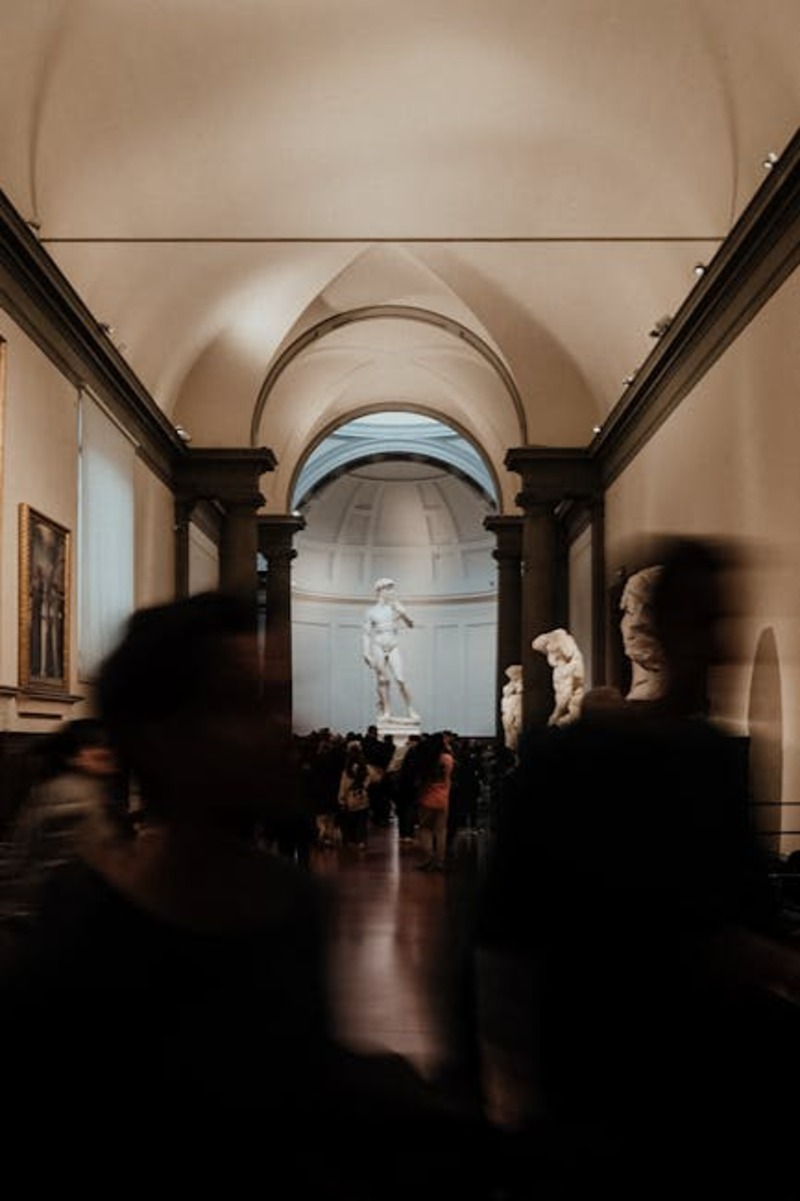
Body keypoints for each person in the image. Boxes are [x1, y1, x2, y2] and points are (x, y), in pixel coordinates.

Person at [0, 591, 495, 1193]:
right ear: (161, 736)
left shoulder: (287, 897)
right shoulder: (80, 924)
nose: (274, 729)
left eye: (270, 700)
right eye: (241, 704)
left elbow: (296, 1086)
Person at [471, 538, 790, 1198]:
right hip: (595, 1065)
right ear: (658, 627)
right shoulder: (572, 758)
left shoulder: (706, 758)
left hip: (687, 1074)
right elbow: (505, 932)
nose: (719, 643)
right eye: (704, 620)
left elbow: (742, 915)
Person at [363, 577, 419, 722]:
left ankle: (410, 709)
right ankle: (387, 711)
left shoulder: (395, 606)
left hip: (392, 644)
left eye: (392, 588)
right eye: (389, 588)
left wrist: (403, 613)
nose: (392, 591)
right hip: (378, 645)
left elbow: (410, 624)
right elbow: (366, 633)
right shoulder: (371, 611)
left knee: (400, 679)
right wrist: (366, 652)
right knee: (383, 680)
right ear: (380, 590)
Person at [414, 731, 455, 873]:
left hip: (426, 798)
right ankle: (440, 861)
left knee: (425, 829)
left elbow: (420, 780)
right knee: (441, 831)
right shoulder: (448, 759)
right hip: (443, 798)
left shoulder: (426, 759)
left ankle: (428, 858)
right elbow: (449, 779)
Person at [531, 627, 585, 727]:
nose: (547, 655)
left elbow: (564, 697)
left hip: (571, 710)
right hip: (574, 707)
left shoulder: (564, 669)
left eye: (548, 651)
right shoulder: (574, 660)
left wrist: (555, 715)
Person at [500, 663, 523, 753]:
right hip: (507, 712)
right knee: (509, 732)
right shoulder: (510, 685)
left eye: (513, 674)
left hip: (514, 711)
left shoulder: (520, 687)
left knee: (515, 732)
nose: (511, 676)